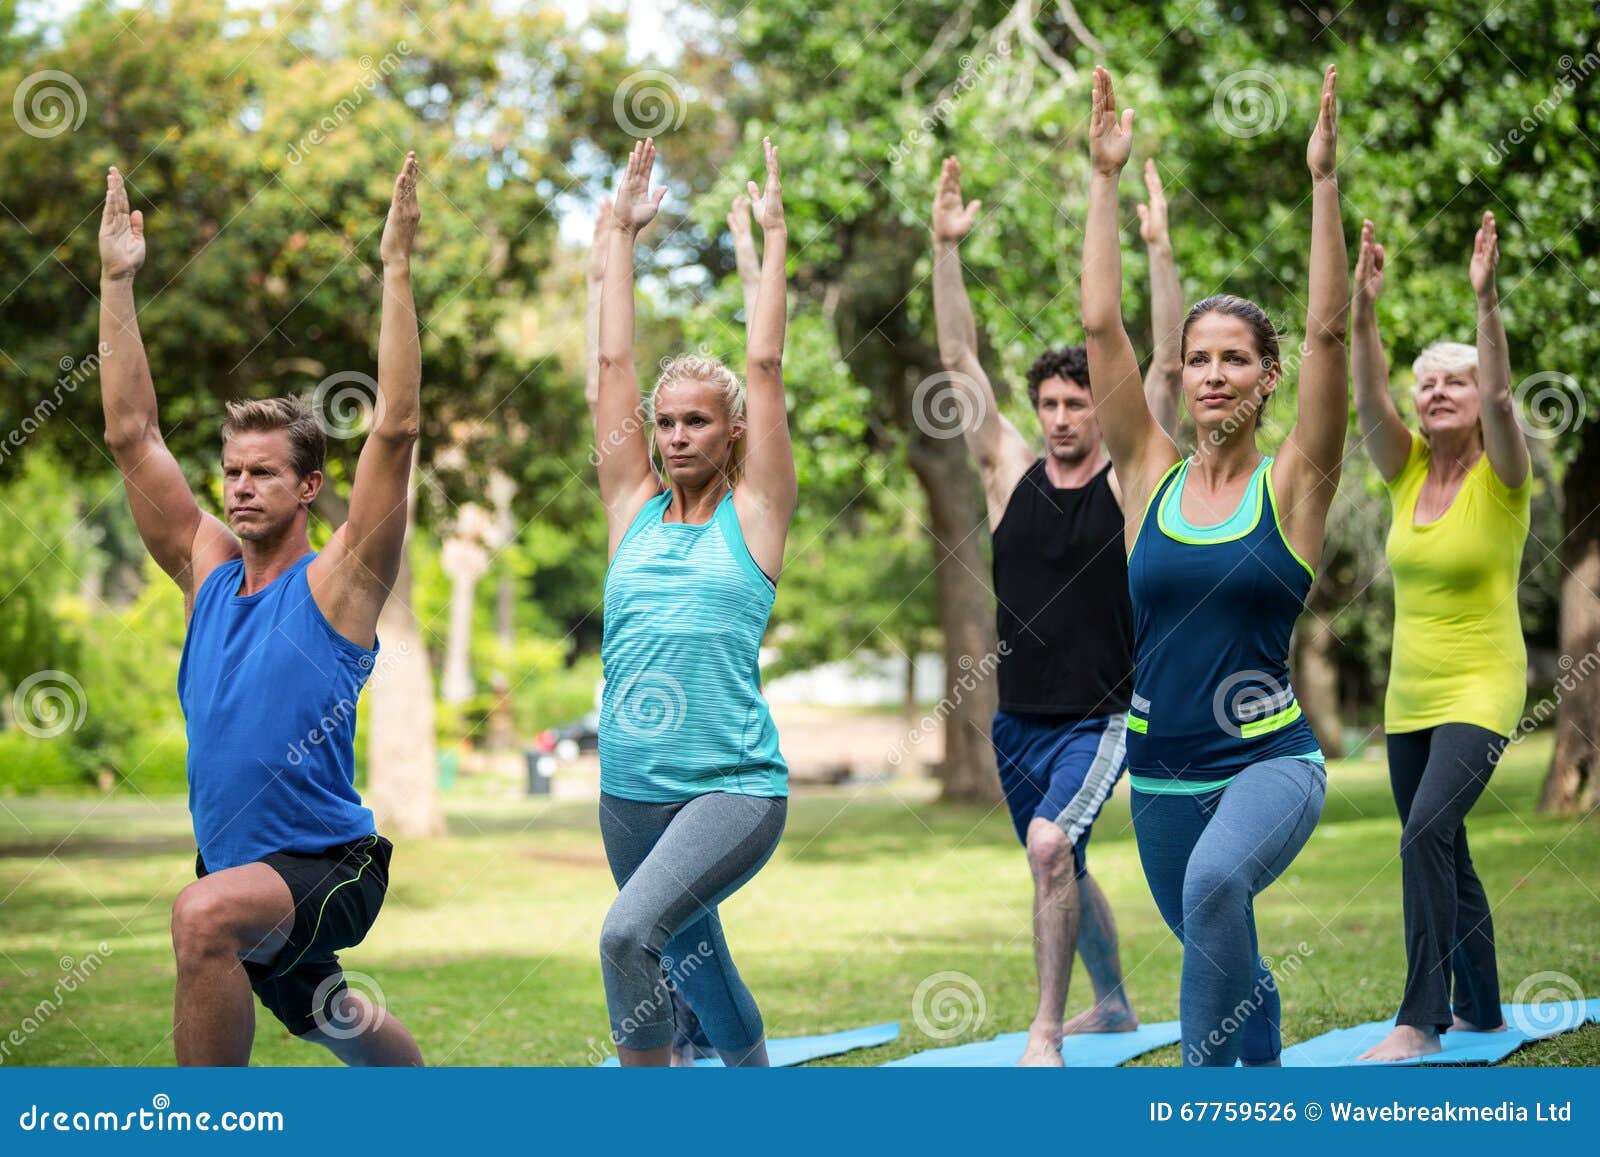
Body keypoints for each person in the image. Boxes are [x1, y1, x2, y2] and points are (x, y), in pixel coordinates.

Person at [96, 156, 426, 1066]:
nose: (240, 488)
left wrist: (395, 269)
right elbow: (132, 434)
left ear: (310, 485)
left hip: (332, 864)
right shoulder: (203, 568)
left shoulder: (341, 582)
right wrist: (116, 281)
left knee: (201, 918)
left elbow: (395, 426)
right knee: (330, 1011)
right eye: (232, 472)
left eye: (264, 472)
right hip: (246, 868)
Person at [1081, 66, 1348, 1067]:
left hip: (1269, 760)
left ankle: (1198, 1108)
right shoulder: (1144, 470)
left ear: (1266, 375)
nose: (1214, 374)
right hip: (1157, 770)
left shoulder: (1294, 485)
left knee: (1212, 891)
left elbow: (1326, 330)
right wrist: (1103, 178)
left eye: (1236, 357)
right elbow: (1101, 327)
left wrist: (1321, 179)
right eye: (1199, 358)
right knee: (1218, 945)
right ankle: (1262, 1076)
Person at [929, 154, 1186, 1065]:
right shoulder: (1008, 471)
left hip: (1103, 713)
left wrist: (1157, 250)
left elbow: (1162, 365)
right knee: (1060, 861)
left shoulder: (1126, 475)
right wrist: (944, 249)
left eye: (1080, 401)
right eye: (1052, 402)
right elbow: (958, 357)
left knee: (1046, 847)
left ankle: (1047, 1028)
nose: (1066, 415)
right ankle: (1112, 1003)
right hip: (1018, 721)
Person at [593, 137, 796, 1067]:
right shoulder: (630, 510)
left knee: (625, 934)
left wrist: (773, 243)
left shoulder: (754, 515)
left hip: (732, 786)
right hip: (628, 786)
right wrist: (621, 239)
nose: (676, 435)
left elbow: (764, 364)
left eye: (697, 421)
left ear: (732, 431)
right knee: (695, 961)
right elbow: (610, 366)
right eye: (666, 421)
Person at [1349, 213, 1531, 1062]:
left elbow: (1500, 397)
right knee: (1442, 844)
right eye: (1428, 385)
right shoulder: (1407, 467)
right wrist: (1363, 311)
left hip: (1483, 685)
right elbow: (1365, 398)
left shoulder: (1504, 477)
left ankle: (1419, 1016)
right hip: (1410, 692)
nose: (1437, 394)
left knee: (1423, 833)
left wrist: (1485, 303)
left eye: (1452, 381)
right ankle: (1484, 1006)